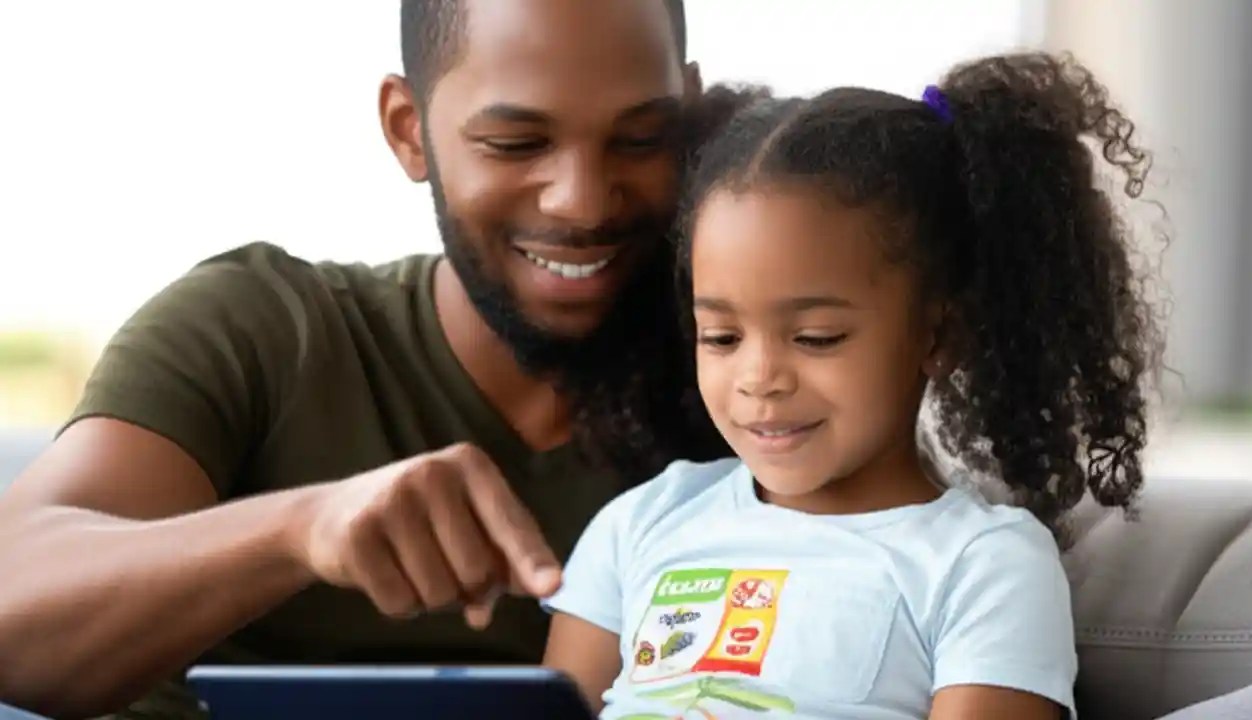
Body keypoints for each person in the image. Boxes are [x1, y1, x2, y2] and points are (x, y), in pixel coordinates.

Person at [0, 1, 740, 717]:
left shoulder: (763, 399)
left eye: (642, 138)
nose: (582, 202)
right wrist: (301, 531)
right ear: (408, 129)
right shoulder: (263, 329)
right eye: (516, 144)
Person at [543, 51, 1161, 719]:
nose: (758, 378)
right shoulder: (640, 526)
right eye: (721, 337)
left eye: (815, 338)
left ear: (938, 335)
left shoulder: (982, 565)